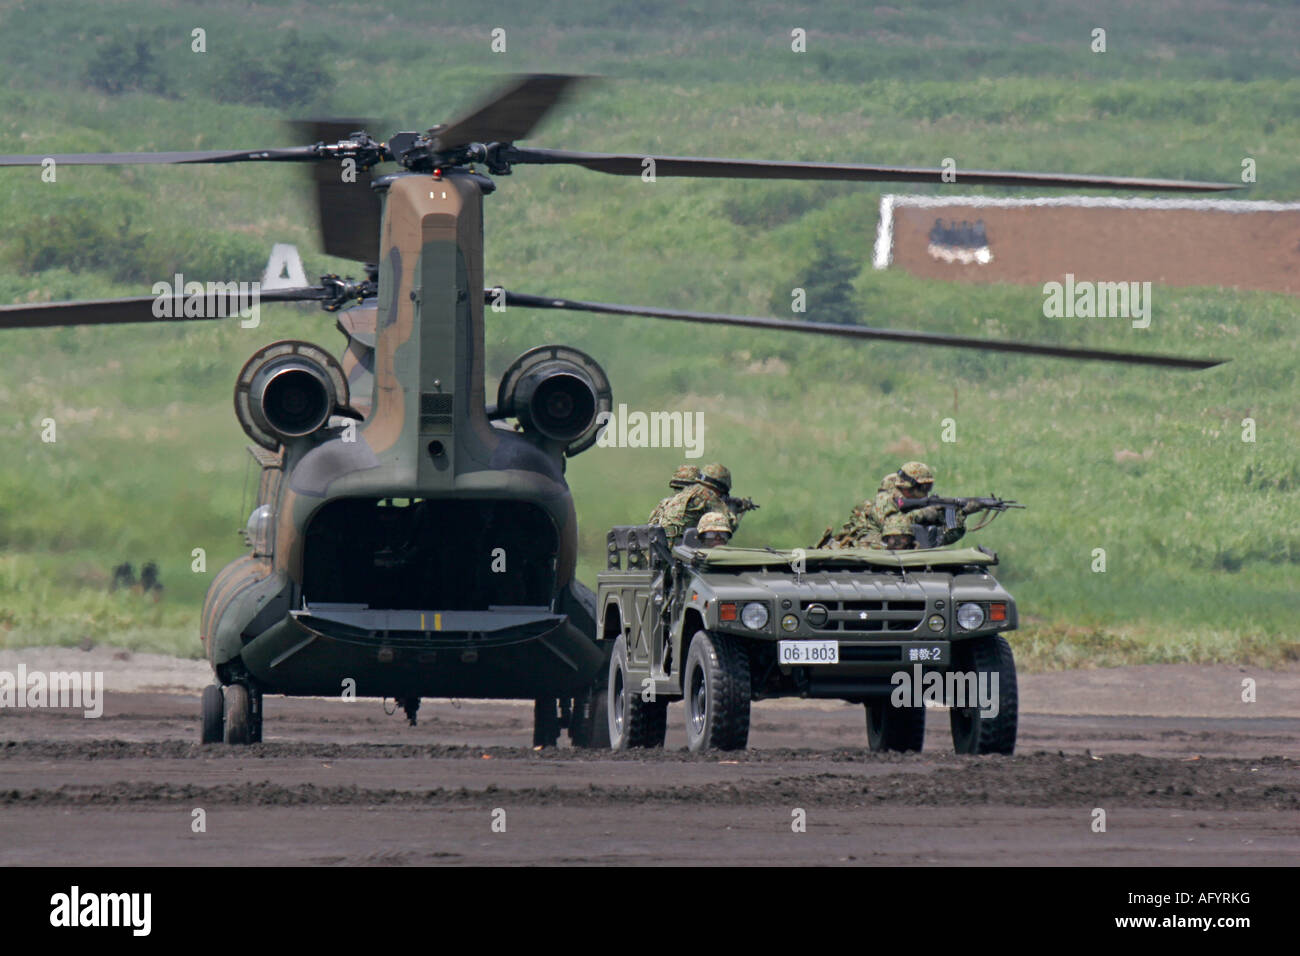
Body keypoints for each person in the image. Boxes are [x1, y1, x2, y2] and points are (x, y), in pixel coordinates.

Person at [652, 462, 735, 545]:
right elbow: (730, 523)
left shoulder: (675, 498)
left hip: (660, 546)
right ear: (719, 487)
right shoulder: (706, 494)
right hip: (678, 549)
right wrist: (735, 508)